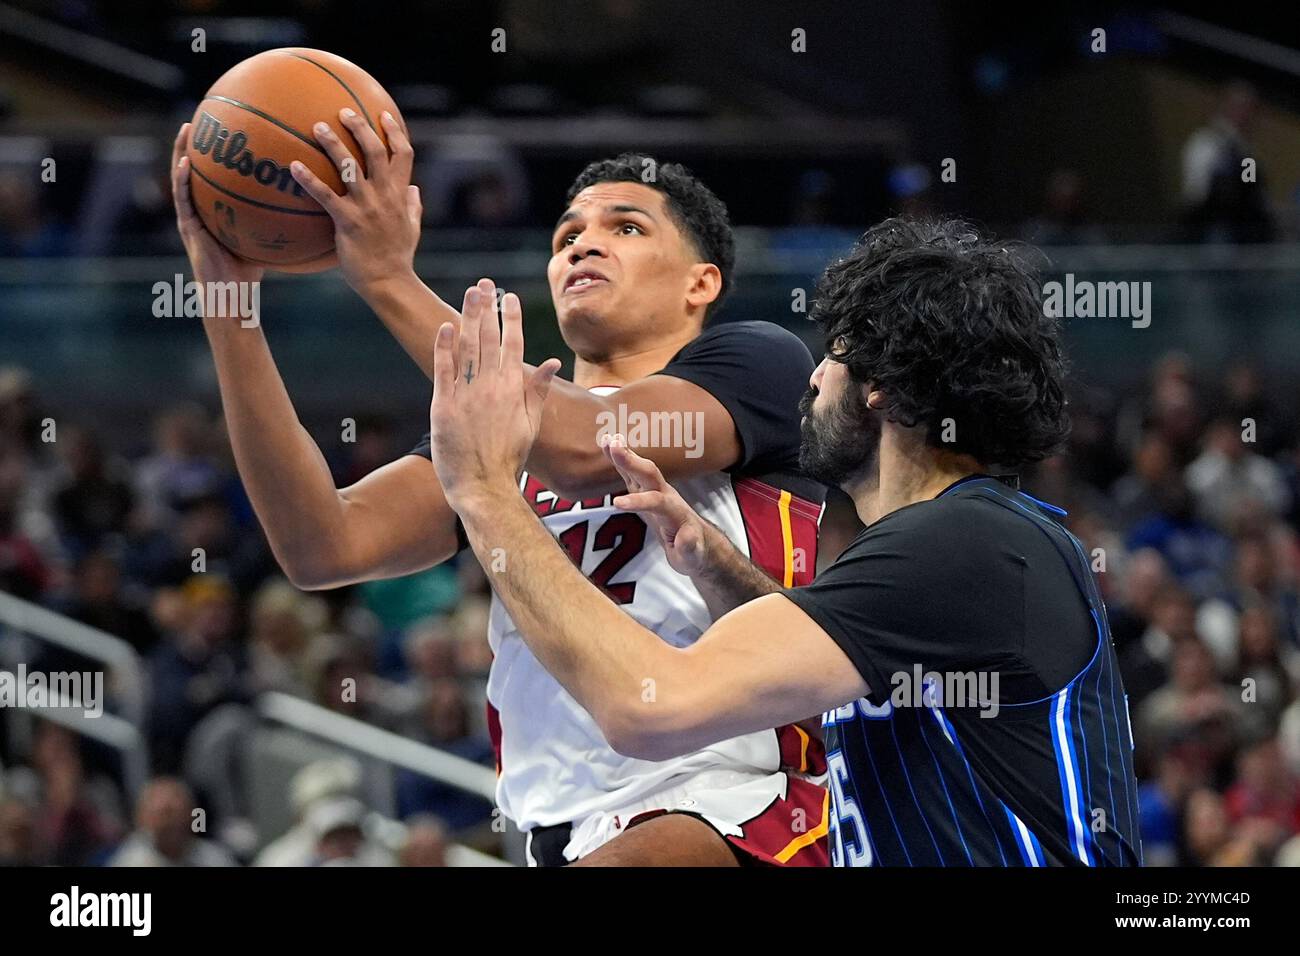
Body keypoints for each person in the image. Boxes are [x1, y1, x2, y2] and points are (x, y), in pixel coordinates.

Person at [170, 120, 828, 866]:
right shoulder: (498, 433)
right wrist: (230, 311)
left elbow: (587, 448)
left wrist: (387, 278)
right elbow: (323, 544)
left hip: (735, 793)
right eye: (565, 235)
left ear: (699, 282)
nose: (583, 242)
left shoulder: (758, 362)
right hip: (559, 820)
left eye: (627, 226)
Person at [425, 217, 1143, 866]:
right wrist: (718, 566)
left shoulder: (963, 543)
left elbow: (648, 709)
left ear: (882, 386)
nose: (814, 376)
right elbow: (822, 668)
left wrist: (485, 492)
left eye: (833, 354)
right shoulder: (958, 549)